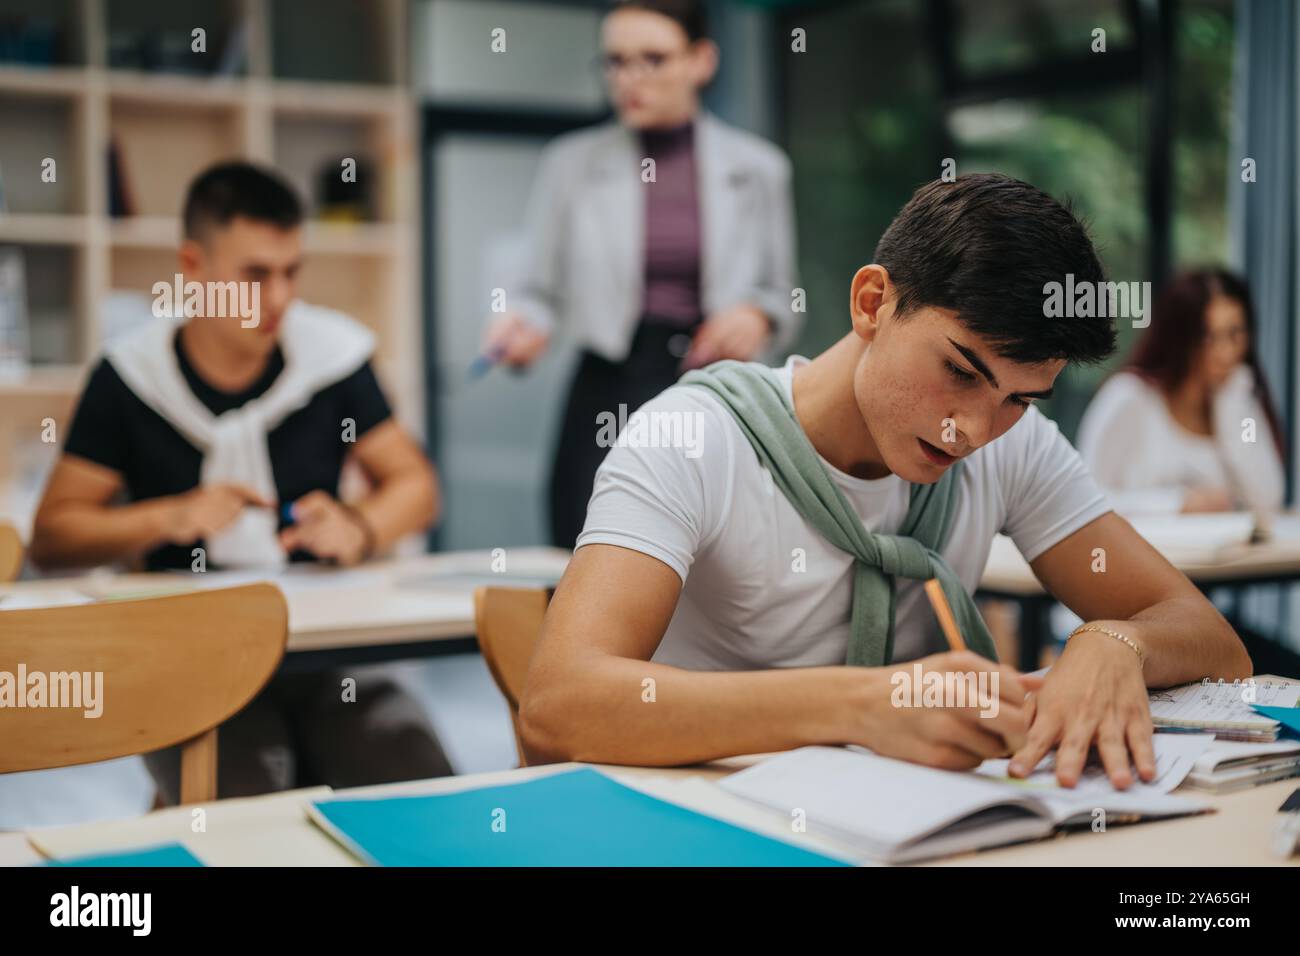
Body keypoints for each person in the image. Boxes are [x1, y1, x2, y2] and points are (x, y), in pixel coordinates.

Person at [519, 174, 1252, 790]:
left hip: (899, 828)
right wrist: (861, 704)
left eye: (1018, 399)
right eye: (960, 372)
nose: (974, 428)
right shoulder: (691, 436)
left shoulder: (1014, 444)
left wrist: (1115, 640)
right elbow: (558, 707)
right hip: (706, 824)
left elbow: (1213, 644)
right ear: (873, 302)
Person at [30, 161, 453, 800]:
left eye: (291, 272)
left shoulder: (334, 358)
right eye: (255, 275)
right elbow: (55, 536)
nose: (280, 298)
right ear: (194, 269)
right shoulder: (128, 378)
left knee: (420, 783)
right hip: (189, 659)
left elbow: (416, 485)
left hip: (326, 651)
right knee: (246, 811)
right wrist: (168, 517)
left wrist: (361, 526)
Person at [482, 0, 799, 548]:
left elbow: (785, 295)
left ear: (702, 60)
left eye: (653, 59)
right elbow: (539, 290)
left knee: (721, 553)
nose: (630, 79)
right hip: (609, 382)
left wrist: (757, 317)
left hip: (717, 384)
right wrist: (519, 325)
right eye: (616, 62)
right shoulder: (570, 163)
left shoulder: (759, 168)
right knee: (584, 549)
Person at [1076, 268, 1285, 516]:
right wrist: (1176, 503)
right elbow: (1083, 500)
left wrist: (1235, 406)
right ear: (1181, 337)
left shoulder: (1239, 401)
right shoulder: (1129, 397)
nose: (1225, 352)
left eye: (1235, 334)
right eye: (1209, 336)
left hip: (1224, 553)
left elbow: (1268, 499)